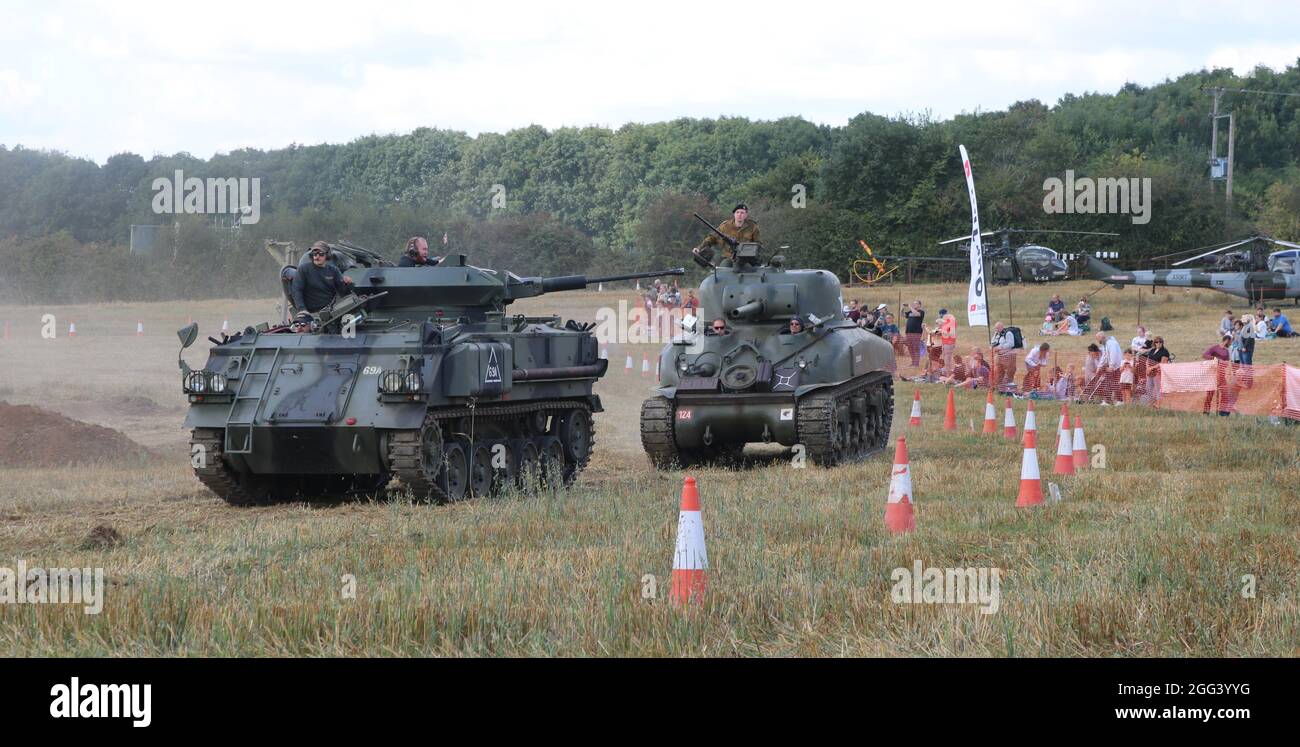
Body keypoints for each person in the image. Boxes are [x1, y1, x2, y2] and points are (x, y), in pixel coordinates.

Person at [291, 241, 353, 322]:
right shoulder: (304, 269)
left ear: (327, 255)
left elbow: (343, 293)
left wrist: (348, 284)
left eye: (321, 254)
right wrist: (302, 309)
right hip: (309, 313)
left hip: (330, 313)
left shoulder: (333, 270)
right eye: (315, 254)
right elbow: (297, 289)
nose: (317, 256)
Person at [693, 204, 759, 267]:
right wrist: (699, 248)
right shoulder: (725, 226)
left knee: (750, 270)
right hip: (729, 257)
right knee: (723, 269)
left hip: (746, 259)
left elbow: (758, 244)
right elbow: (711, 238)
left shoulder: (752, 227)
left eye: (742, 213)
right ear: (734, 214)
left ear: (746, 215)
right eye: (737, 212)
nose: (739, 215)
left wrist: (747, 251)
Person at [991, 321, 1018, 389]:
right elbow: (992, 342)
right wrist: (993, 347)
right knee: (999, 371)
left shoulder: (1008, 333)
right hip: (999, 356)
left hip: (1009, 356)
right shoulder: (996, 334)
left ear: (1002, 327)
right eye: (996, 328)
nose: (997, 330)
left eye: (998, 328)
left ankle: (1008, 387)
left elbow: (1011, 344)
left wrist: (1000, 347)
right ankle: (999, 387)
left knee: (1009, 372)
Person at [904, 300, 926, 368]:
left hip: (916, 332)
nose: (914, 304)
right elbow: (903, 315)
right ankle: (913, 362)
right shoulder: (910, 312)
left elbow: (917, 314)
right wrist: (902, 308)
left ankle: (916, 364)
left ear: (919, 305)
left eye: (916, 303)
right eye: (913, 303)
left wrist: (910, 306)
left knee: (915, 347)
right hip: (908, 332)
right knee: (910, 348)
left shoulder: (921, 312)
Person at [937, 308, 957, 376]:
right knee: (946, 358)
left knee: (947, 359)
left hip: (949, 342)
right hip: (945, 342)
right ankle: (949, 373)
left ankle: (949, 375)